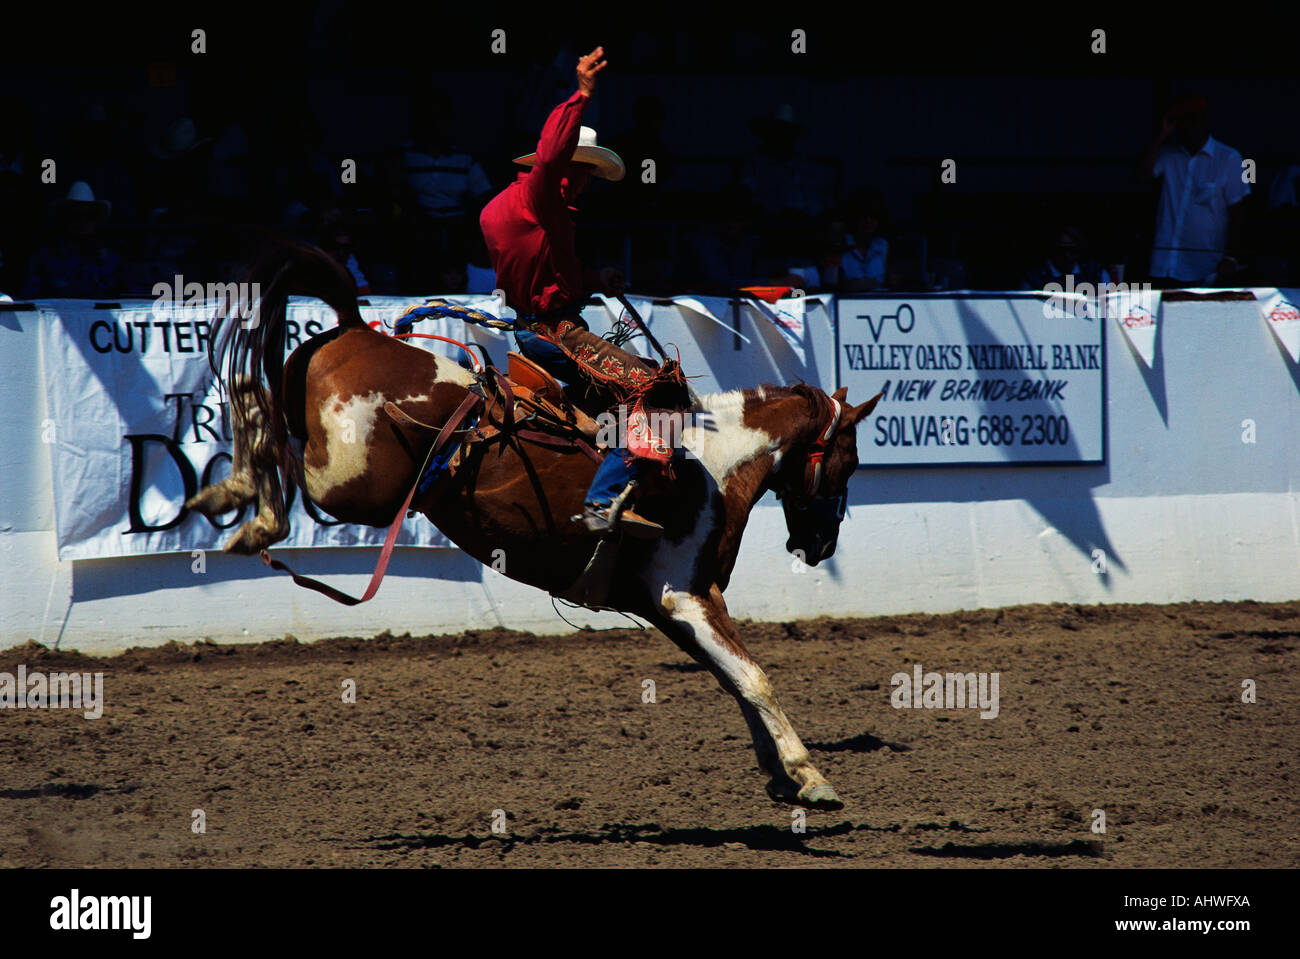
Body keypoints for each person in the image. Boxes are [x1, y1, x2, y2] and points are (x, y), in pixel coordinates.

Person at [479, 46, 686, 538]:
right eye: (586, 171)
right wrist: (582, 94)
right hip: (556, 333)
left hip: (539, 327)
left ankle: (614, 481)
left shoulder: (517, 208)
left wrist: (593, 279)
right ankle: (603, 498)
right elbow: (552, 153)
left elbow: (542, 273)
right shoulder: (539, 197)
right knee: (658, 391)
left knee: (624, 402)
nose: (588, 183)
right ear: (565, 167)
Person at [1137, 94, 1249, 287]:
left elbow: (1239, 211)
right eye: (1181, 121)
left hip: (1204, 268)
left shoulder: (1229, 158)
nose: (1187, 127)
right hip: (1165, 265)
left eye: (1192, 120)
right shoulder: (1168, 156)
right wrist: (1160, 136)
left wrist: (1231, 258)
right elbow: (1140, 176)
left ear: (1204, 121)